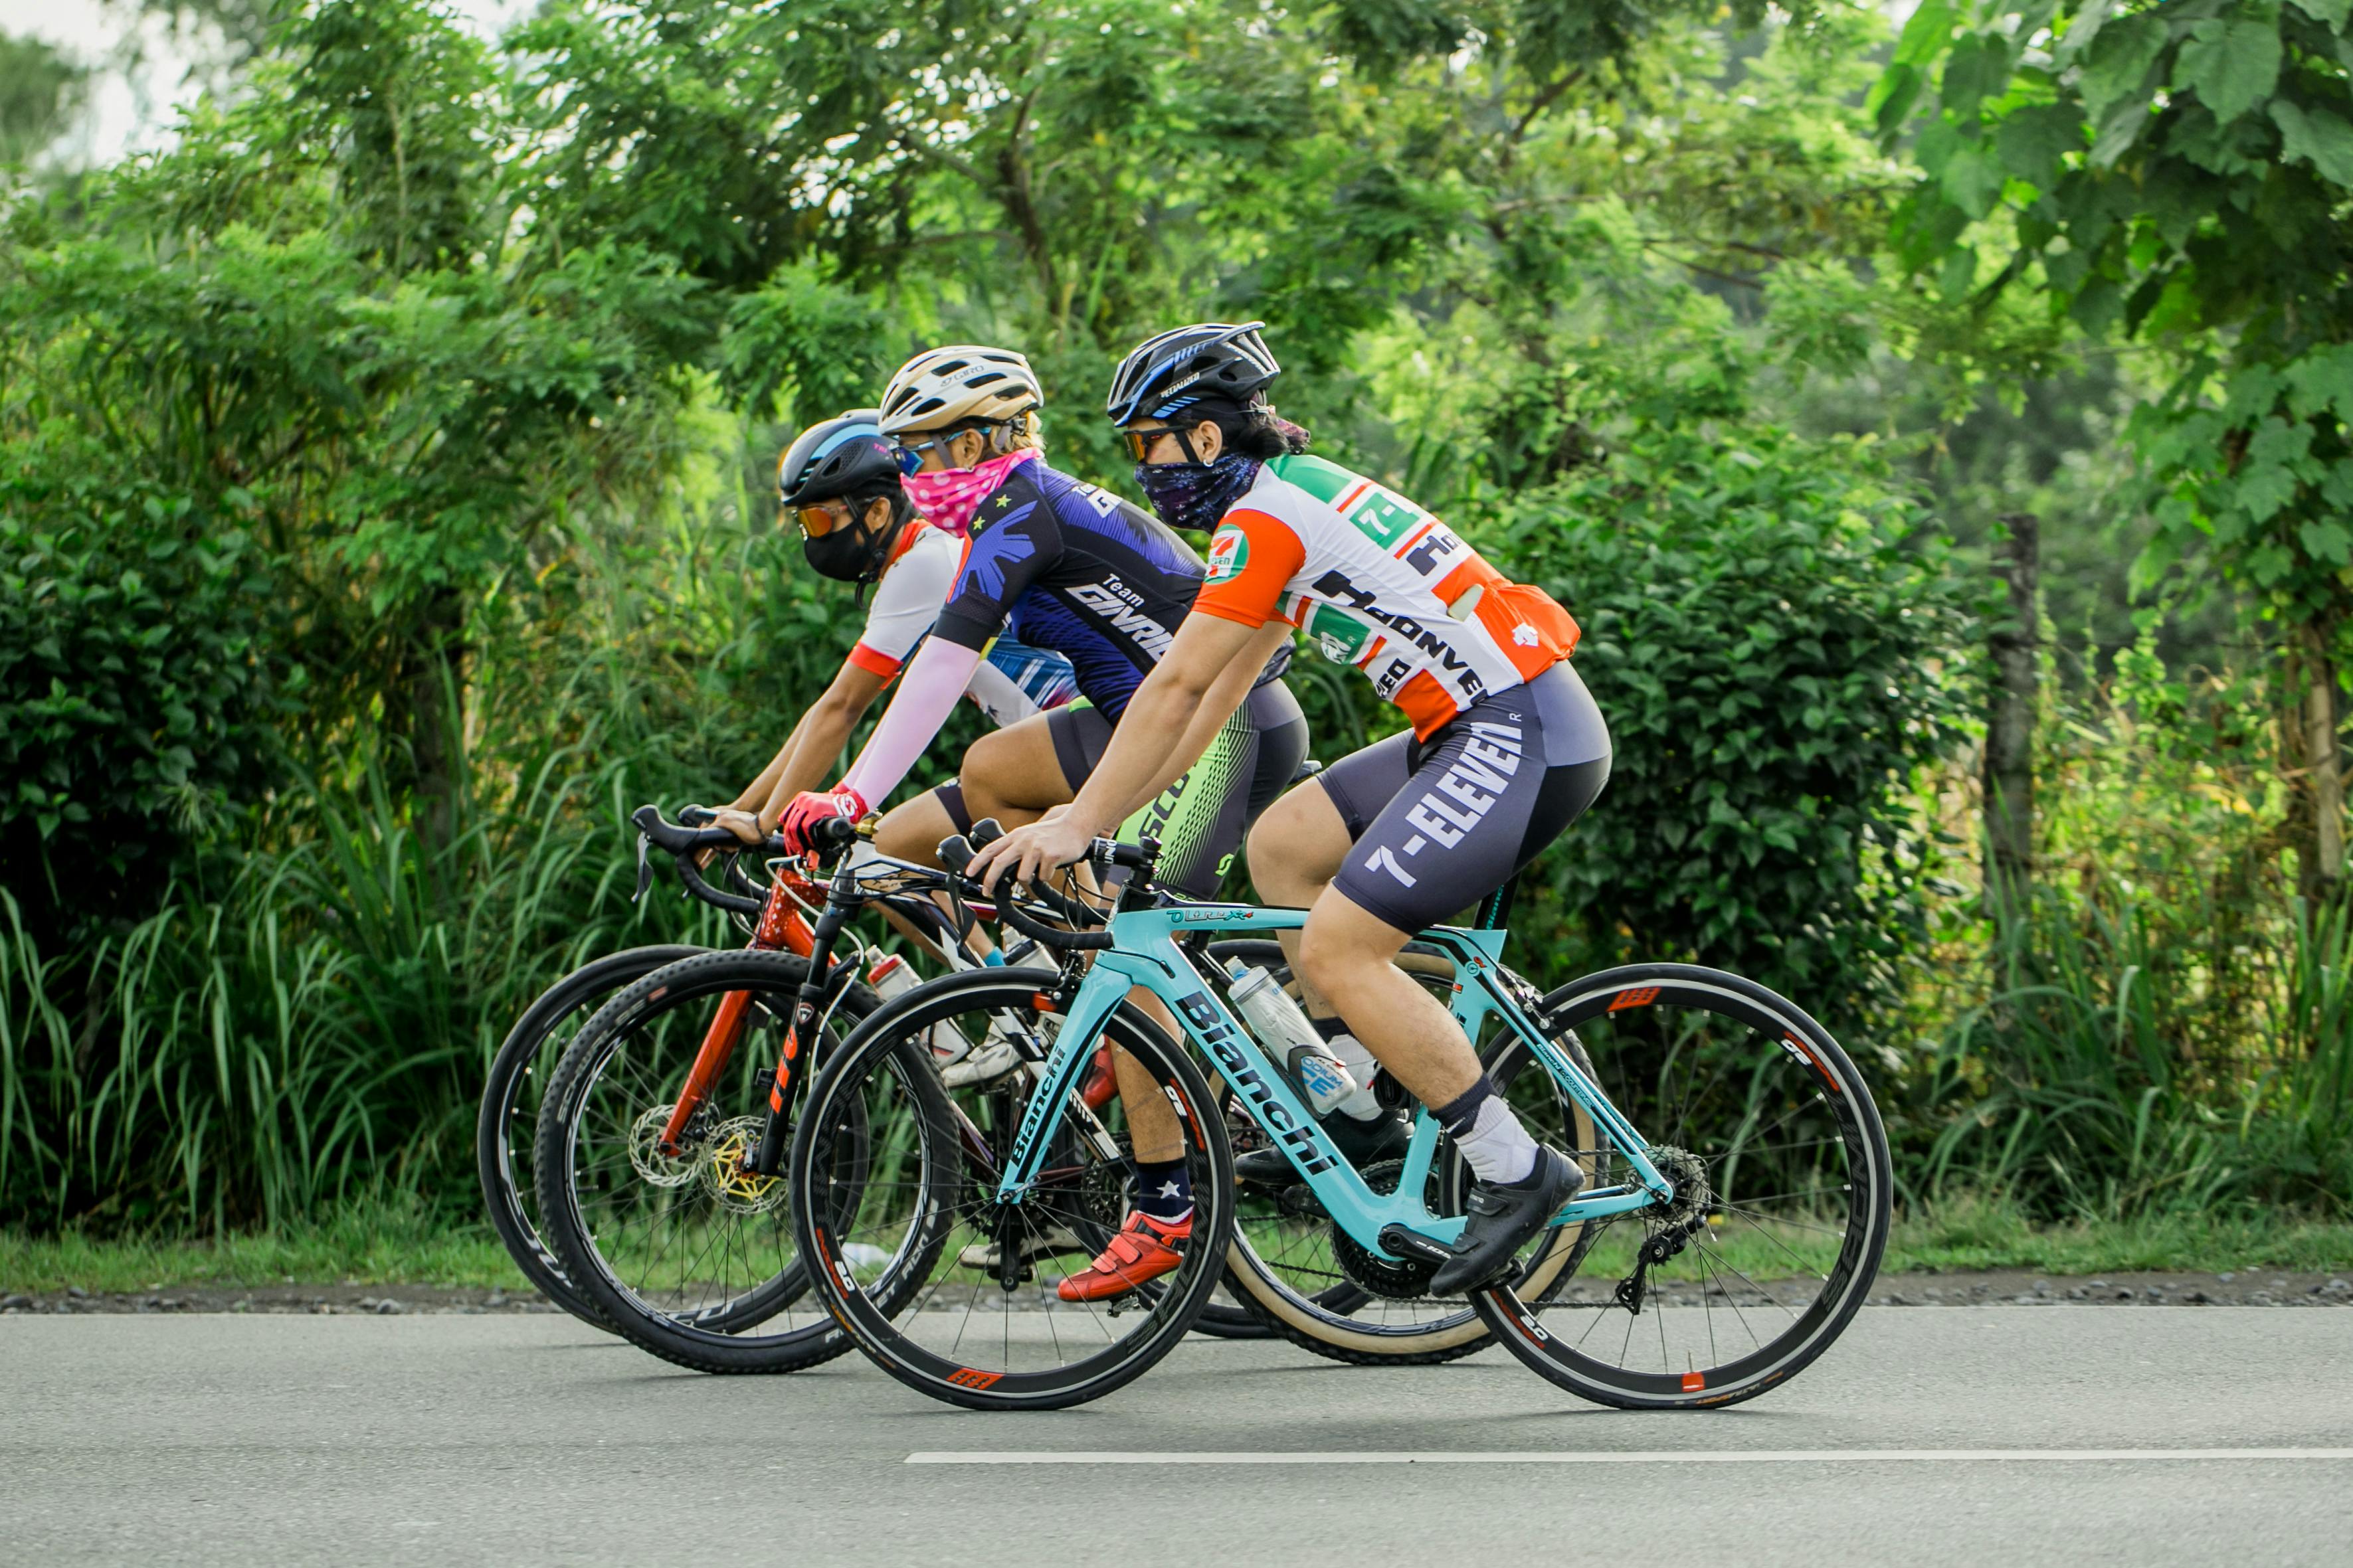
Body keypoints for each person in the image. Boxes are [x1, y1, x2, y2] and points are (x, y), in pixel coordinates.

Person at [973, 322, 1612, 1299]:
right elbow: (1212, 701)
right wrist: (1102, 819)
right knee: (1283, 845)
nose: (1142, 468)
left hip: (1517, 729)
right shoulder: (1282, 501)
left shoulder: (1264, 523)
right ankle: (1353, 1107)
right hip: (1476, 724)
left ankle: (1515, 1166)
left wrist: (1071, 823)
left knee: (1340, 947)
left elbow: (1175, 685)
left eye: (1148, 443)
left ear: (1206, 437)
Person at [773, 345, 1310, 1270]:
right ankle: (1060, 986)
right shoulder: (1011, 511)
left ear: (978, 444)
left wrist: (852, 795)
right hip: (1142, 724)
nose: (912, 476)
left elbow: (940, 670)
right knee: (991, 769)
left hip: (1226, 732)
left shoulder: (1023, 514)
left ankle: (1165, 1203)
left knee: (1131, 961)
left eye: (921, 453)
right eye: (902, 457)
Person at [709, 410, 1077, 1025]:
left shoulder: (924, 566)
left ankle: (1020, 1014)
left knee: (878, 861)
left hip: (1073, 745)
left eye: (819, 519)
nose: (811, 537)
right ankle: (1017, 1014)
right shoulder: (922, 560)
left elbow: (842, 708)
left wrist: (764, 820)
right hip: (1049, 749)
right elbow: (828, 710)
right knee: (884, 857)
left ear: (876, 511)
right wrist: (748, 811)